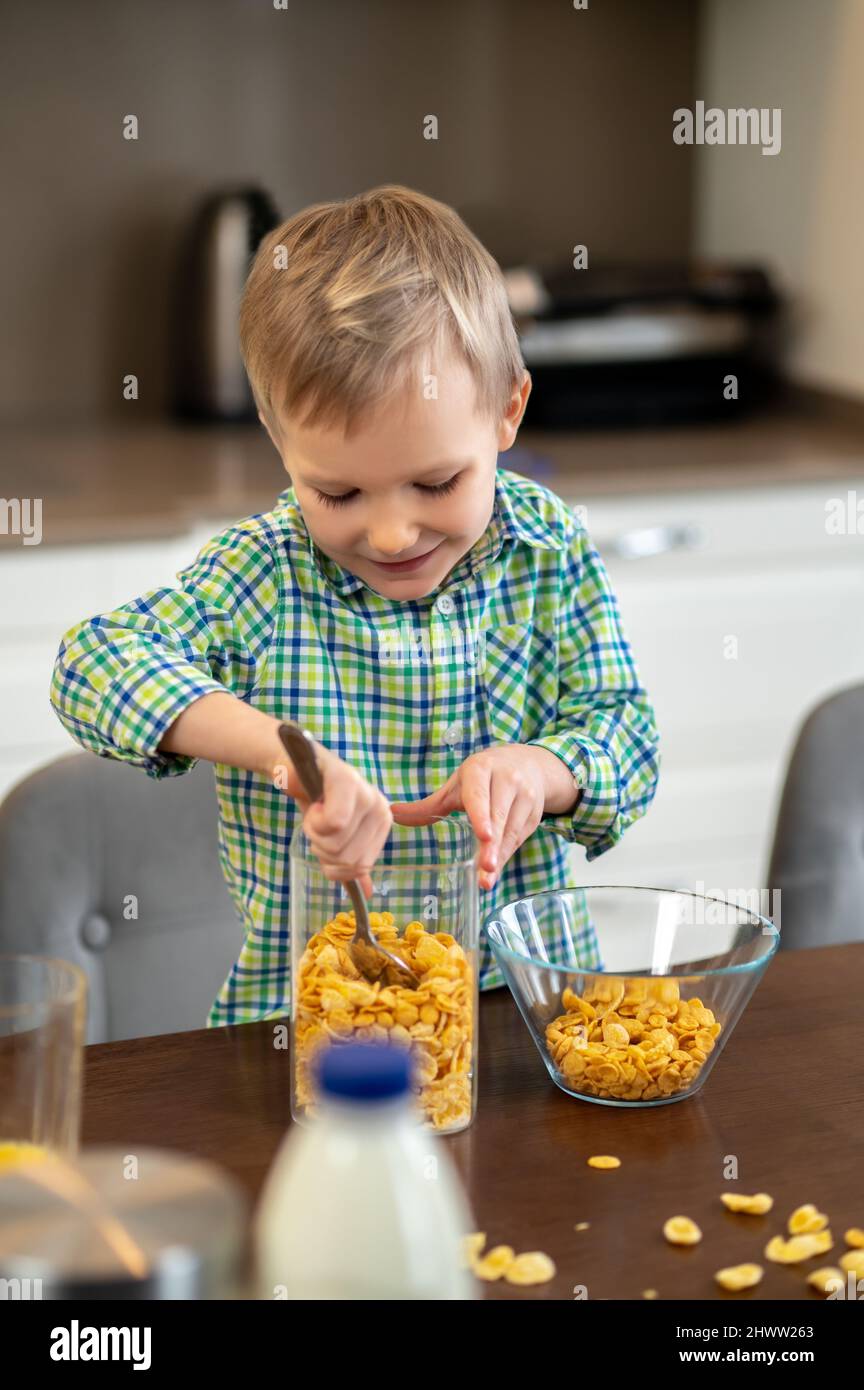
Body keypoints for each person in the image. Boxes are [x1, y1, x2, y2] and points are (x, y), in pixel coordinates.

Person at [50, 185, 660, 1026]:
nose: (392, 531)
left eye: (437, 483)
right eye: (337, 492)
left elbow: (626, 735)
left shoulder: (546, 546)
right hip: (305, 1026)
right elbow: (93, 663)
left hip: (524, 1013)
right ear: (277, 437)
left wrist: (541, 771)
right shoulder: (264, 573)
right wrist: (285, 752)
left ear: (508, 412)